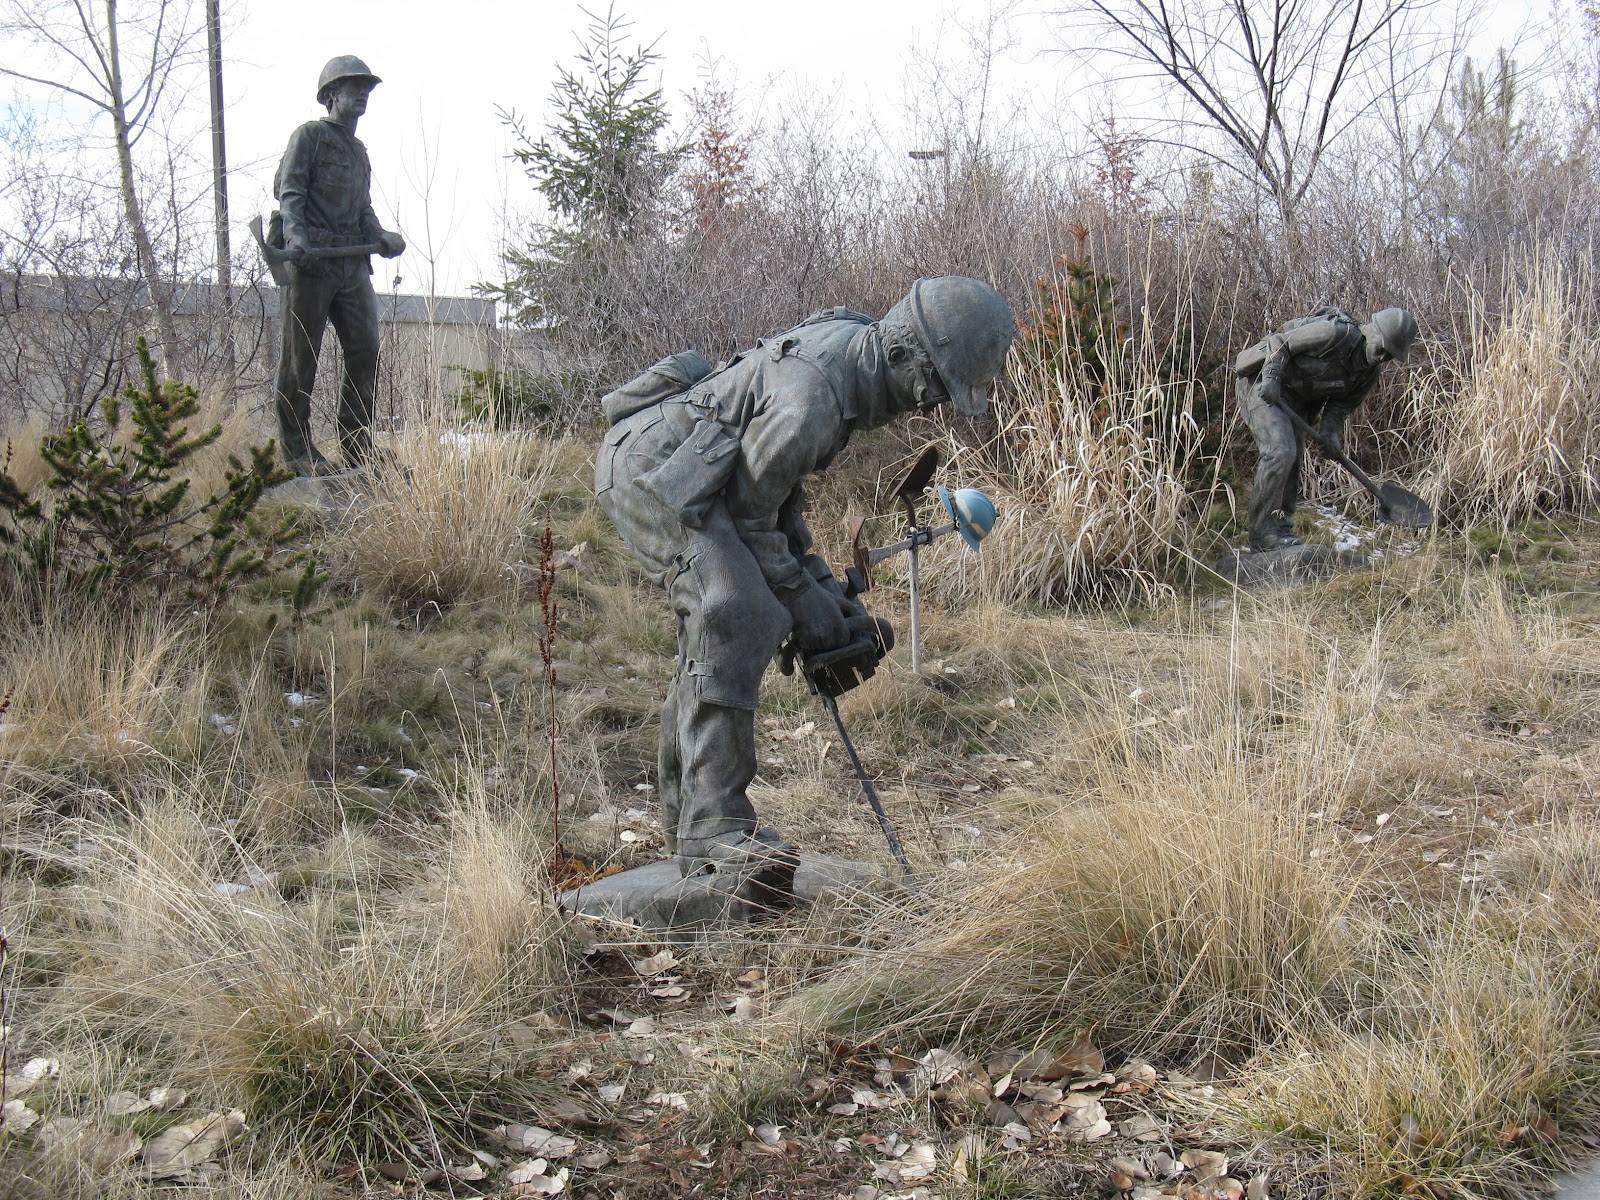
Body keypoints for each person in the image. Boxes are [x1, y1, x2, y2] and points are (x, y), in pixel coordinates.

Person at [595, 277, 1015, 921]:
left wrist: (822, 592)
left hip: (694, 470)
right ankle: (714, 829)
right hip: (653, 470)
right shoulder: (811, 404)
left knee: (736, 616)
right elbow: (750, 519)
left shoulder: (850, 354)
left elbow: (773, 504)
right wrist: (808, 610)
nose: (926, 407)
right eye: (932, 388)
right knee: (733, 613)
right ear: (903, 354)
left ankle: (690, 823)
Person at [270, 55, 406, 476]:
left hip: (351, 264)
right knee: (301, 358)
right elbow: (290, 191)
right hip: (311, 265)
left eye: (366, 87)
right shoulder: (309, 136)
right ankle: (297, 452)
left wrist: (380, 234)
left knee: (365, 350)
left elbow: (362, 207)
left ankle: (357, 445)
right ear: (330, 95)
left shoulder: (359, 151)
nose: (362, 93)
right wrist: (297, 237)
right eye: (352, 86)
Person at [1233, 305, 1418, 551]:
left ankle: (1282, 527)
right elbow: (1280, 342)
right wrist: (1272, 377)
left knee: (1294, 457)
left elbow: (1340, 406)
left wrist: (1330, 434)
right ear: (1371, 330)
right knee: (1280, 450)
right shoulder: (1334, 334)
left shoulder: (1368, 373)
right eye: (1382, 348)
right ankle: (1261, 532)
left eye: (1390, 355)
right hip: (1261, 384)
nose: (1383, 357)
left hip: (1296, 401)